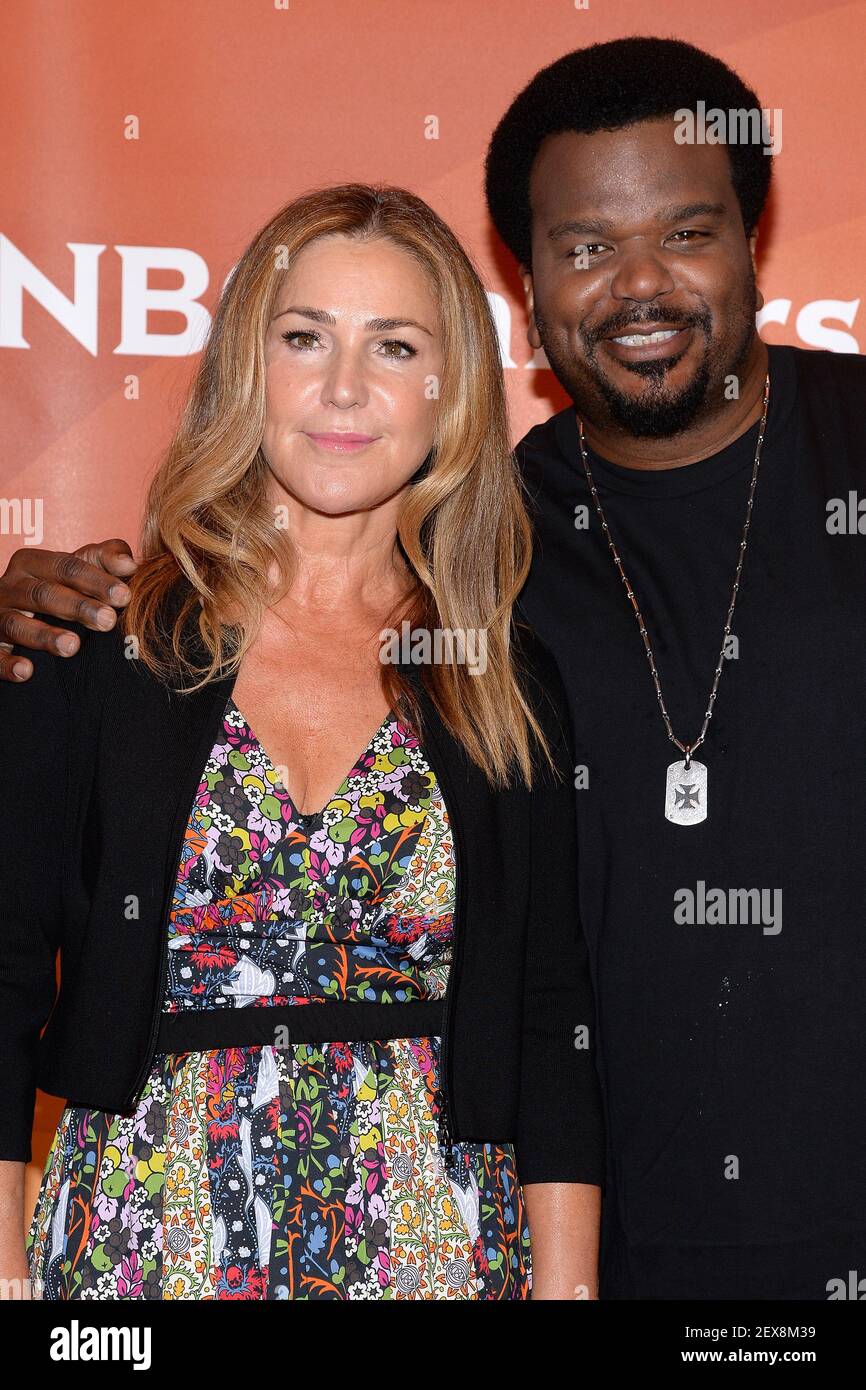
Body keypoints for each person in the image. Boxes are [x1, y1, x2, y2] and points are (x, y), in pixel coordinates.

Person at [4, 34, 865, 1301]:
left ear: (750, 237)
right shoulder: (485, 571)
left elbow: (532, 999)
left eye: (684, 233)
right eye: (581, 247)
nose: (636, 283)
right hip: (217, 1259)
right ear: (526, 284)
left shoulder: (494, 626)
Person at [0, 183, 605, 1300]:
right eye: (302, 337)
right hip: (142, 1250)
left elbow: (549, 1015)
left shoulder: (497, 675)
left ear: (448, 389)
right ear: (247, 367)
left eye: (392, 346)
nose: (340, 388)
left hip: (437, 1252)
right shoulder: (103, 642)